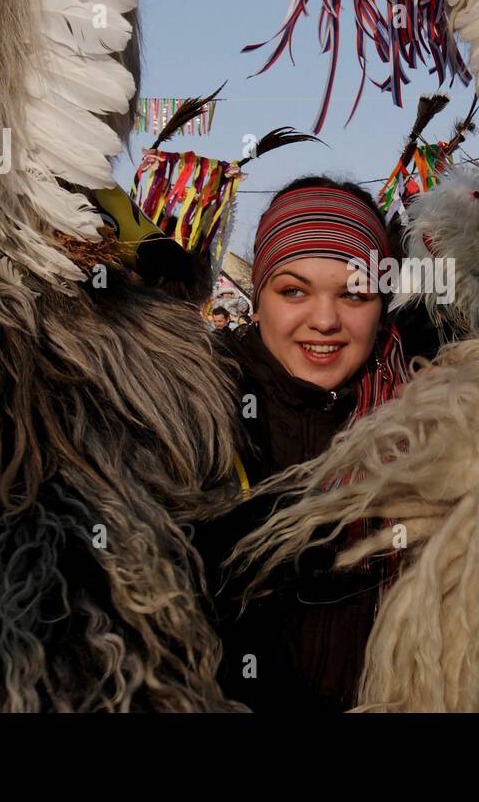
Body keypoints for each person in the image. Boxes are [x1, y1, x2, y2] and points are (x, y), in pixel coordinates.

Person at [196, 176, 413, 712]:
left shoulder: (431, 422)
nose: (323, 320)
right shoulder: (188, 415)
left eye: (354, 294)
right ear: (258, 296)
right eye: (293, 290)